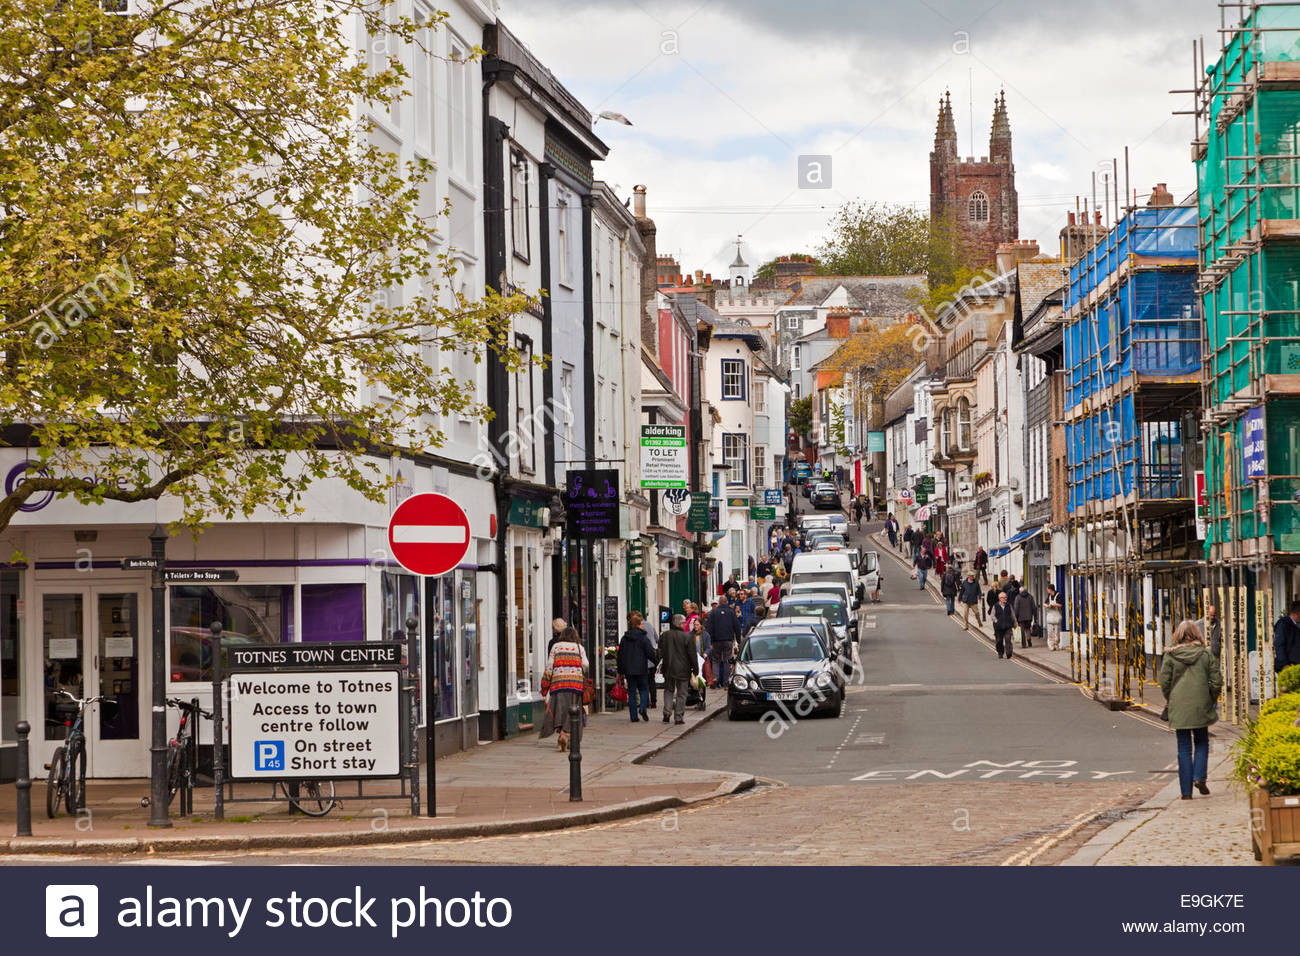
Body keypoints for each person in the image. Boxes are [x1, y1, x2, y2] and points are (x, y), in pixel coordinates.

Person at [1159, 620, 1222, 799]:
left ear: (1178, 635)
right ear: (1197, 634)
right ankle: (1199, 777)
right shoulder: (1205, 654)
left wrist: (1171, 698)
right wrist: (1209, 699)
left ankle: (1186, 793)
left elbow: (1164, 682)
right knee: (1202, 741)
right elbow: (1216, 681)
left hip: (1179, 705)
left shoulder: (1171, 656)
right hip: (1201, 704)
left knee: (1183, 747)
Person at [539, 626, 589, 749]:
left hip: (558, 684)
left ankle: (563, 734)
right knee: (572, 711)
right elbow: (586, 664)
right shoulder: (579, 647)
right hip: (575, 685)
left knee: (560, 711)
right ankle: (565, 734)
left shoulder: (556, 647)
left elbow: (549, 667)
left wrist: (544, 686)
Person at [658, 614, 699, 725]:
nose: (685, 624)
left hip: (668, 668)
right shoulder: (687, 637)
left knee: (668, 690)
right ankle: (678, 717)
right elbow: (692, 655)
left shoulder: (665, 635)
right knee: (682, 693)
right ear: (680, 624)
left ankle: (667, 713)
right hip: (683, 669)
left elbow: (659, 651)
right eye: (684, 623)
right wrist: (696, 669)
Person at [617, 612, 656, 722]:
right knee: (644, 689)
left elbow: (621, 655)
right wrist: (655, 662)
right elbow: (650, 653)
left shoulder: (624, 638)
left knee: (632, 692)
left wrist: (620, 669)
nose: (643, 626)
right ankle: (643, 708)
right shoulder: (643, 638)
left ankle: (633, 716)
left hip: (629, 670)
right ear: (638, 625)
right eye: (642, 624)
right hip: (641, 668)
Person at [704, 597, 741, 688]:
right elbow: (737, 626)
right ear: (727, 602)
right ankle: (726, 682)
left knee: (716, 661)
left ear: (719, 603)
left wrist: (710, 642)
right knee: (726, 661)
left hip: (716, 641)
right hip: (728, 640)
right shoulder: (731, 612)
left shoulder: (714, 613)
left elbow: (709, 628)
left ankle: (715, 679)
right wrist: (739, 640)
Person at [1275, 600, 1300, 674]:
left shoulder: (1297, 624)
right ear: (1298, 613)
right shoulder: (1283, 624)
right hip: (1289, 666)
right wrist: (1284, 664)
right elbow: (1279, 645)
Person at [991, 591, 1016, 660]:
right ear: (1000, 598)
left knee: (1008, 639)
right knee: (999, 641)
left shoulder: (1009, 605)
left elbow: (1012, 615)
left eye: (1006, 597)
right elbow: (992, 616)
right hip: (998, 627)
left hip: (1007, 626)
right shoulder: (995, 606)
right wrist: (997, 621)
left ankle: (1009, 653)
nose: (1005, 599)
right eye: (1004, 598)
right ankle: (1000, 653)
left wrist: (1015, 623)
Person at [1042, 584, 1063, 651]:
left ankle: (1056, 645)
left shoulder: (1058, 595)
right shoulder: (1049, 596)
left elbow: (1060, 604)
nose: (1047, 590)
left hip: (1056, 616)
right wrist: (1047, 605)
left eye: (1047, 589)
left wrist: (1053, 604)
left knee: (1057, 633)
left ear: (1050, 589)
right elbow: (1044, 603)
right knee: (1050, 632)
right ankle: (1051, 646)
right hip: (1050, 617)